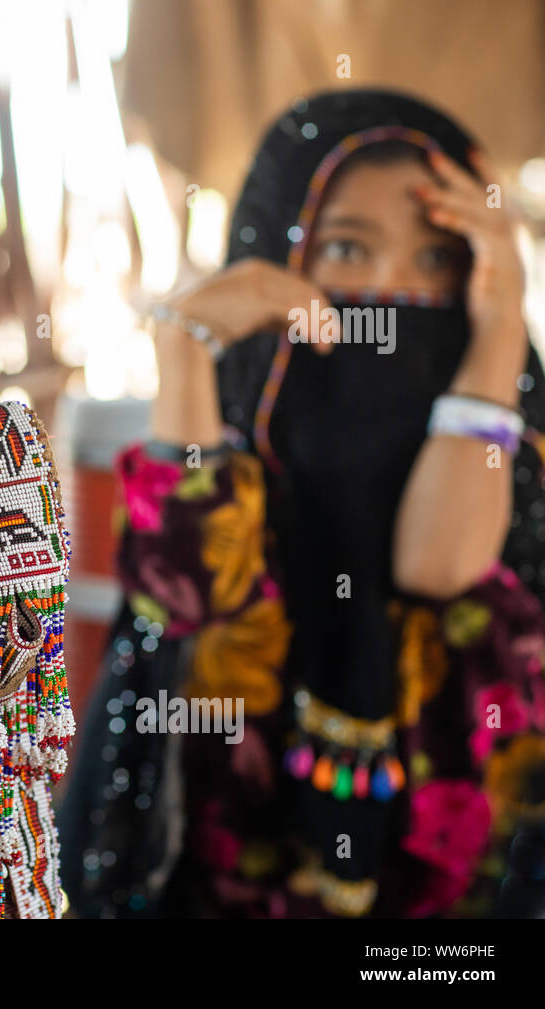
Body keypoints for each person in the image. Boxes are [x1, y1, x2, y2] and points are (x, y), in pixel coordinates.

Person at [60, 88, 545, 918]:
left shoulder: (514, 457)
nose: (391, 292)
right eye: (349, 249)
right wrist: (186, 347)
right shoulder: (238, 436)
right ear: (281, 249)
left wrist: (502, 328)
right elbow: (189, 594)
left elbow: (438, 561)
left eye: (438, 260)